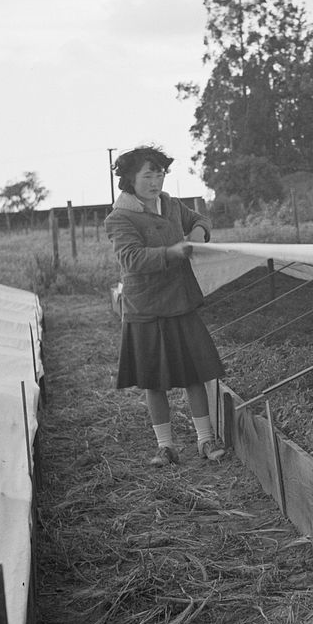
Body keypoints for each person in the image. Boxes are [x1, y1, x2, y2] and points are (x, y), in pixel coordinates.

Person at [104, 145, 227, 467]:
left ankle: (205, 439)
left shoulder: (170, 205)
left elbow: (198, 218)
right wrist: (172, 252)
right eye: (148, 175)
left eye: (159, 174)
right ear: (131, 179)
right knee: (153, 379)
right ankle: (166, 446)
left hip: (180, 300)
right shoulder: (120, 217)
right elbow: (131, 258)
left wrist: (199, 232)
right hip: (145, 306)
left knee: (193, 374)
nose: (155, 181)